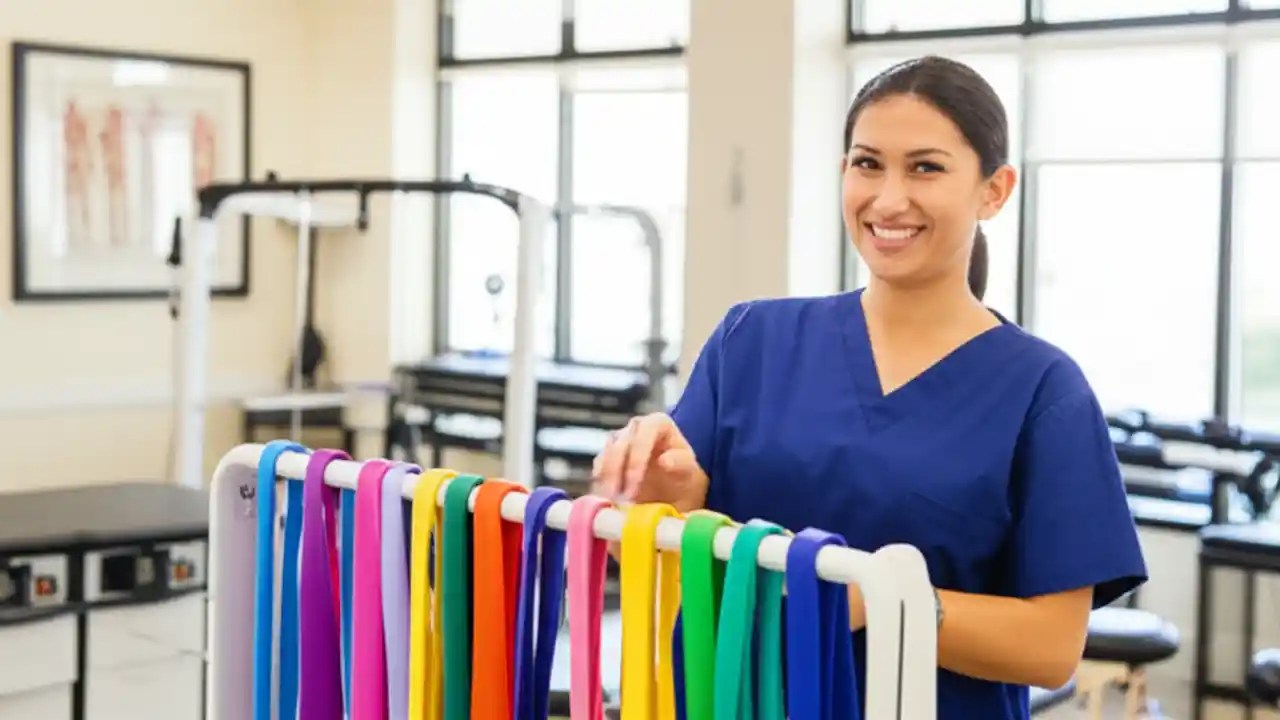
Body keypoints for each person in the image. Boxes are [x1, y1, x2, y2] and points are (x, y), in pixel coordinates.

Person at [591, 55, 1148, 719]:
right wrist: (667, 496)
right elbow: (687, 546)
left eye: (926, 167)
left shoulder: (1043, 392)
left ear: (994, 191)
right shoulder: (753, 341)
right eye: (867, 163)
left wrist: (879, 598)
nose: (888, 198)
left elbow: (1051, 646)